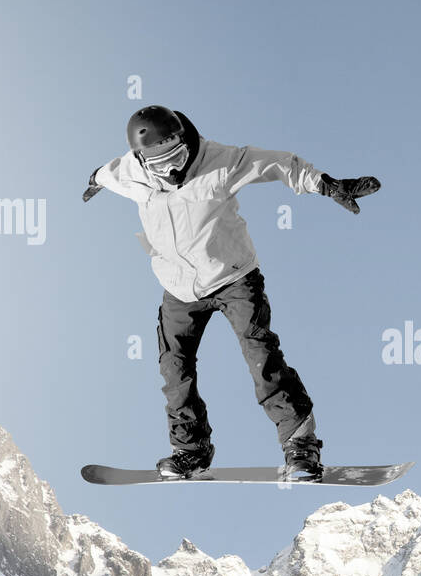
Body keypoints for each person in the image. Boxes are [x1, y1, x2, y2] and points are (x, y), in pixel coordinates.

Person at [82, 105, 380, 480]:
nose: (172, 169)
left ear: (184, 142)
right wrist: (93, 181)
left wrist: (326, 184)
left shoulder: (220, 161)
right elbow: (105, 173)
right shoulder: (128, 172)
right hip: (178, 289)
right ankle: (191, 451)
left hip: (235, 277)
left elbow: (279, 164)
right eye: (160, 165)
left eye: (177, 156)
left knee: (261, 355)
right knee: (174, 370)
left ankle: (300, 447)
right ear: (142, 160)